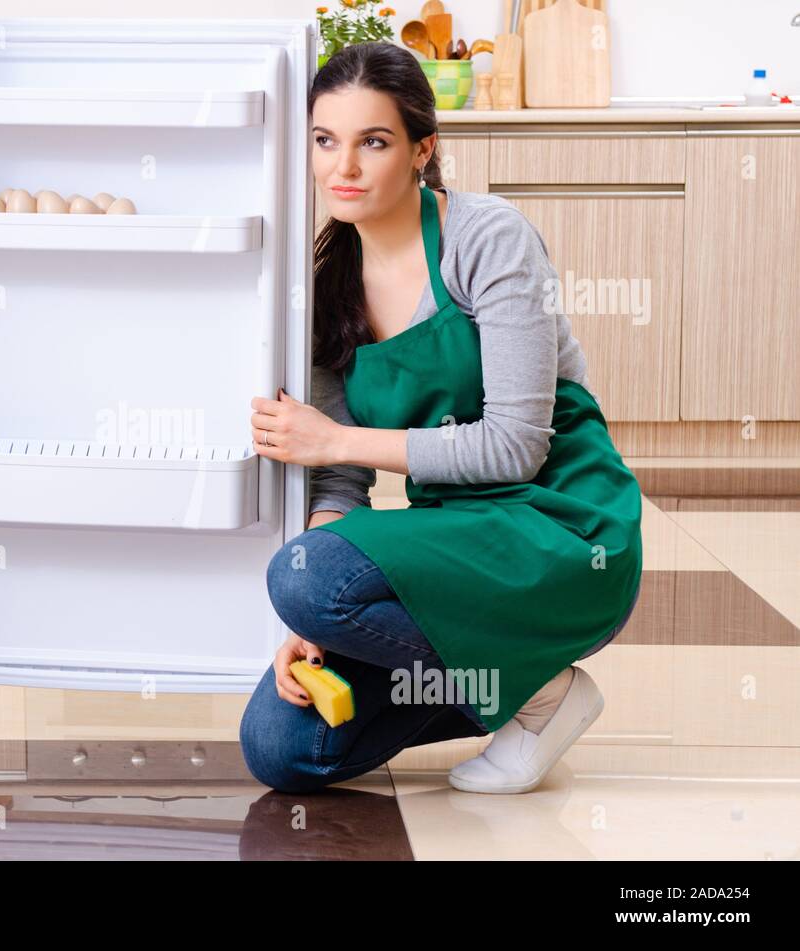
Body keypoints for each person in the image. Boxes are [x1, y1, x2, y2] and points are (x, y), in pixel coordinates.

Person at [238, 41, 643, 795]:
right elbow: (342, 482)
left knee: (305, 576)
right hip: (457, 546)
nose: (343, 168)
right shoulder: (326, 288)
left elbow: (516, 447)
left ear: (424, 148)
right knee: (281, 746)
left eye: (374, 142)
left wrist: (333, 438)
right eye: (326, 141)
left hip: (557, 527)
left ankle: (548, 693)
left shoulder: (487, 241)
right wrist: (314, 620)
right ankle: (519, 682)